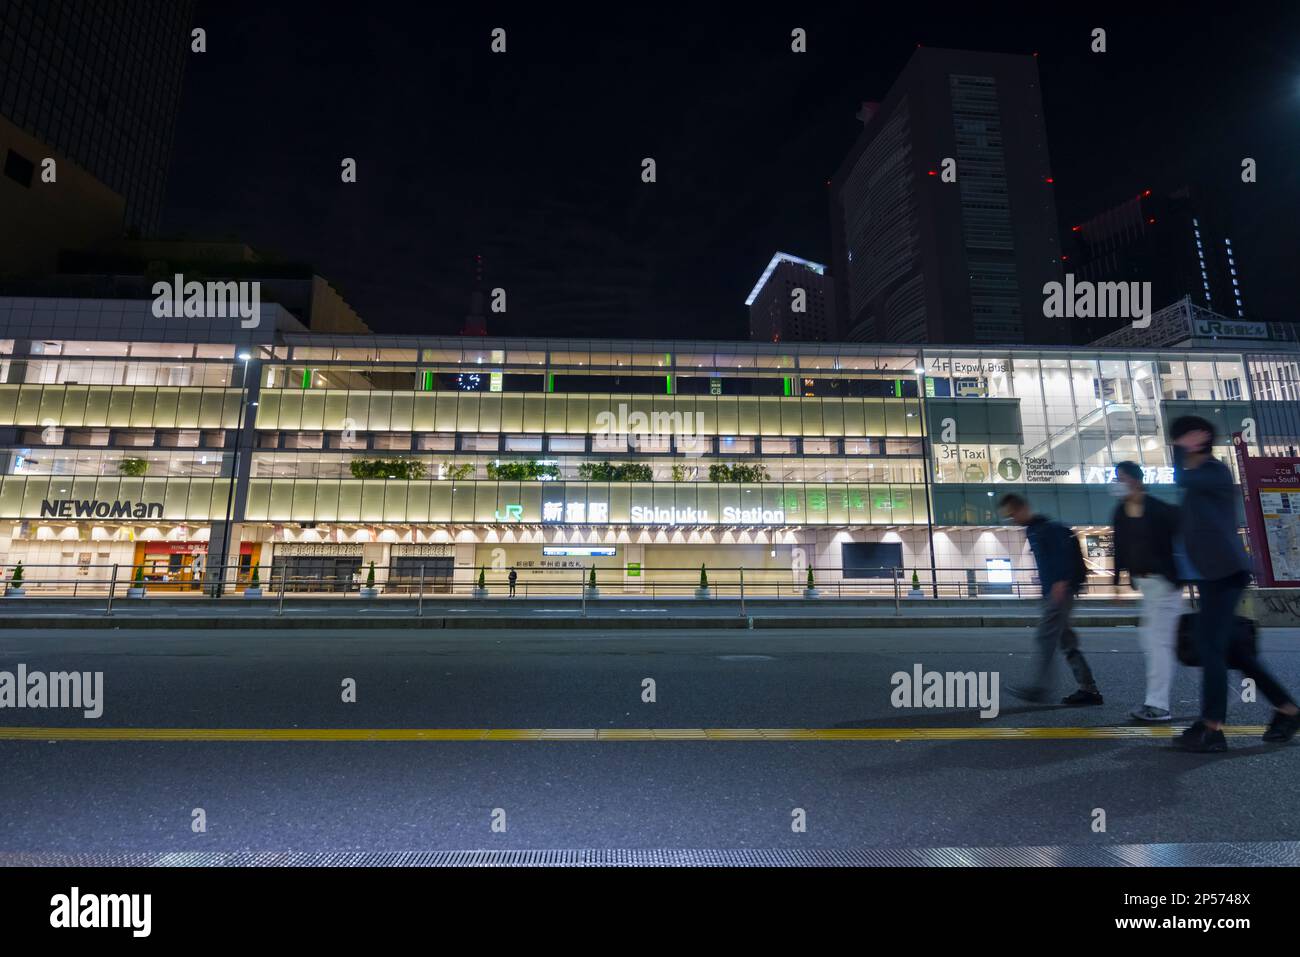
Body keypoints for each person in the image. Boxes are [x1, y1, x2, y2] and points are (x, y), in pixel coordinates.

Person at [1169, 416, 1300, 751]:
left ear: (1201, 438)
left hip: (1225, 572)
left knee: (1211, 648)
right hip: (1212, 574)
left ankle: (1211, 729)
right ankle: (1288, 710)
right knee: (1235, 653)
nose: (1177, 445)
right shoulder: (1200, 475)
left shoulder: (1214, 471)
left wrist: (1184, 451)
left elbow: (1181, 478)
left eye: (1181, 438)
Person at [998, 492, 1103, 706]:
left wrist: (1060, 583)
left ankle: (1039, 688)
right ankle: (1089, 689)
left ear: (1023, 508)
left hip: (1059, 592)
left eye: (1013, 514)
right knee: (1066, 642)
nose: (1012, 519)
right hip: (1054, 592)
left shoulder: (1048, 529)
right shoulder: (1033, 530)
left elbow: (1061, 557)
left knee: (1046, 638)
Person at [1111, 461, 1183, 722]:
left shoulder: (1160, 509)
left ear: (1137, 480)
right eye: (1115, 478)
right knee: (1158, 641)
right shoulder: (1120, 512)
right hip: (1146, 585)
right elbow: (1119, 547)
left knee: (1156, 643)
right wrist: (1118, 583)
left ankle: (1158, 705)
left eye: (1121, 478)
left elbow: (1185, 534)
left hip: (1164, 585)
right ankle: (1213, 683)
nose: (1117, 483)